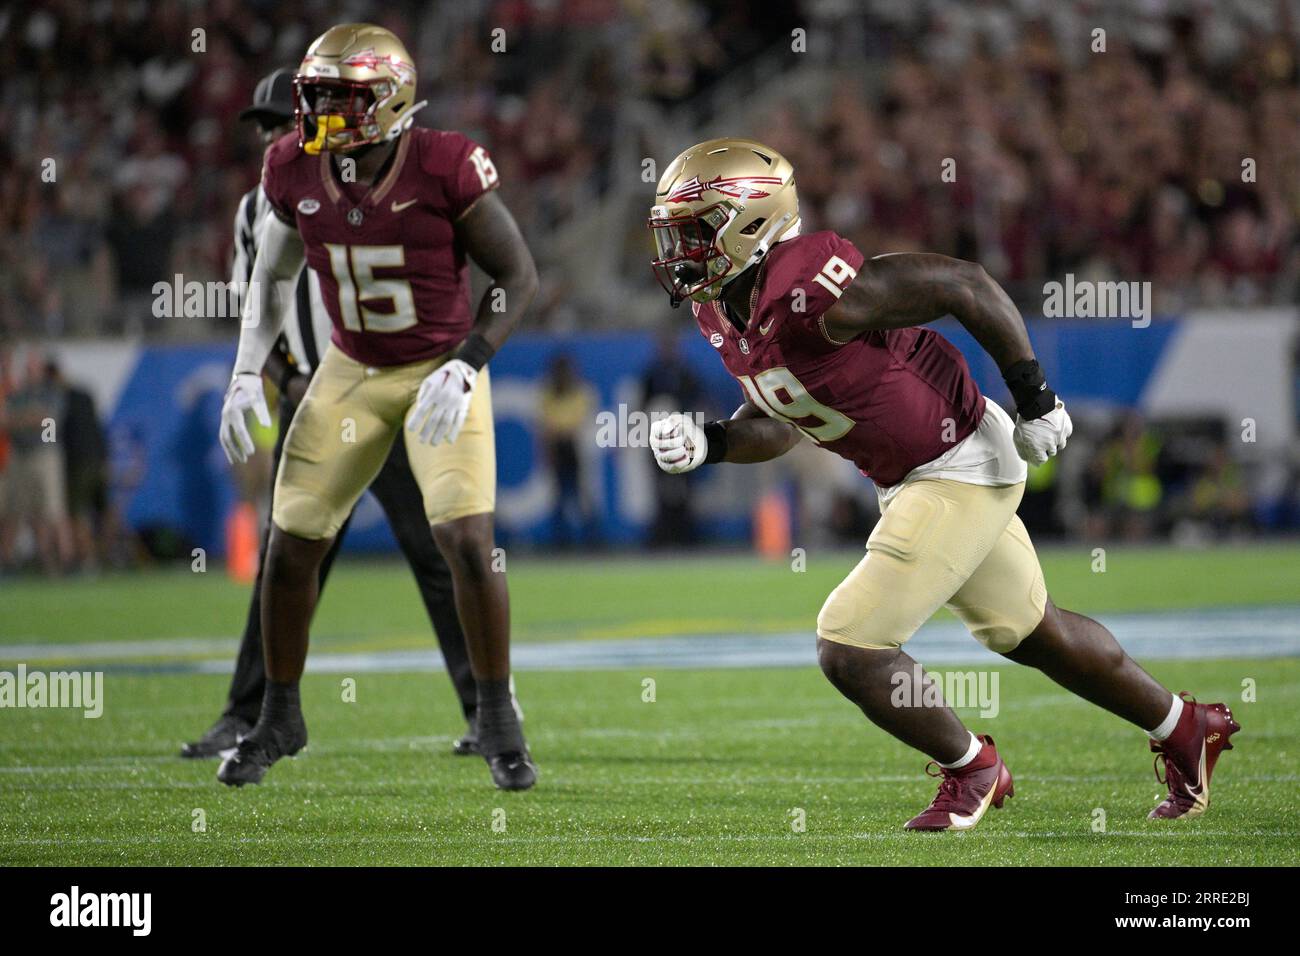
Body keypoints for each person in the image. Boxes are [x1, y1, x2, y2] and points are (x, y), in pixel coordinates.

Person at [646, 138, 1239, 829]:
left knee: (849, 642)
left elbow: (966, 284)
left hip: (957, 463)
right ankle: (1185, 726)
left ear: (748, 222)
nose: (679, 251)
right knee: (1032, 632)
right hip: (914, 477)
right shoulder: (721, 307)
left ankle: (974, 769)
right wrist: (712, 442)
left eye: (693, 232)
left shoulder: (810, 284)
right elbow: (786, 417)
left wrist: (1035, 396)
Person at [216, 25, 539, 790]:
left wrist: (466, 366)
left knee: (465, 539)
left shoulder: (445, 163)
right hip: (352, 368)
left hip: (437, 368)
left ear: (389, 100)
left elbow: (517, 277)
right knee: (291, 542)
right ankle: (279, 717)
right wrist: (243, 375)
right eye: (316, 93)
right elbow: (269, 279)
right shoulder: (291, 165)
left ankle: (498, 718)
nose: (322, 109)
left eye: (342, 95)